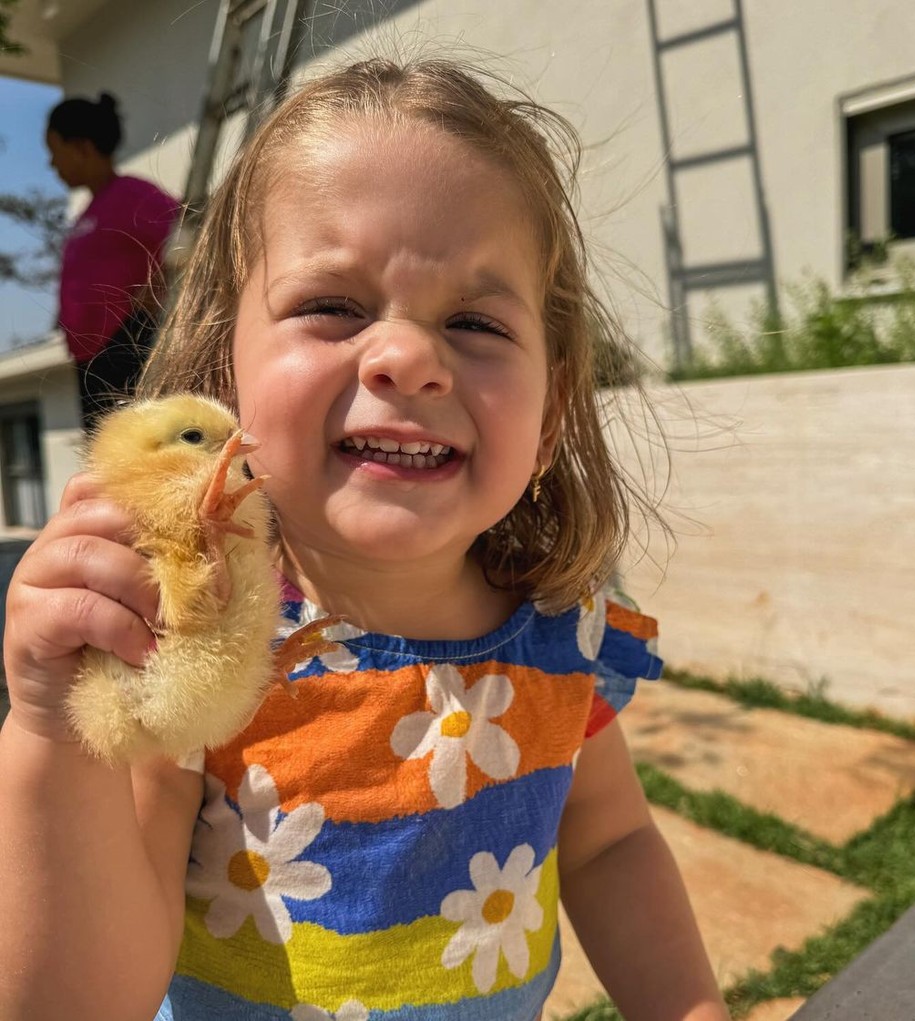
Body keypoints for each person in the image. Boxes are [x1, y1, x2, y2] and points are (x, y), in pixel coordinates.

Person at [0, 59, 731, 1021]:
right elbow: (78, 1002)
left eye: (474, 320)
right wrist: (52, 733)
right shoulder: (200, 654)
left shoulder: (566, 636)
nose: (409, 358)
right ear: (227, 377)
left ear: (549, 415)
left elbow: (609, 843)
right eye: (332, 307)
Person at [46, 91, 181, 431]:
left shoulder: (134, 195)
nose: (52, 164)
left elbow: (187, 240)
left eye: (55, 152)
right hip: (90, 360)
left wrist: (156, 295)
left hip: (128, 349)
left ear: (81, 147)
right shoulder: (88, 212)